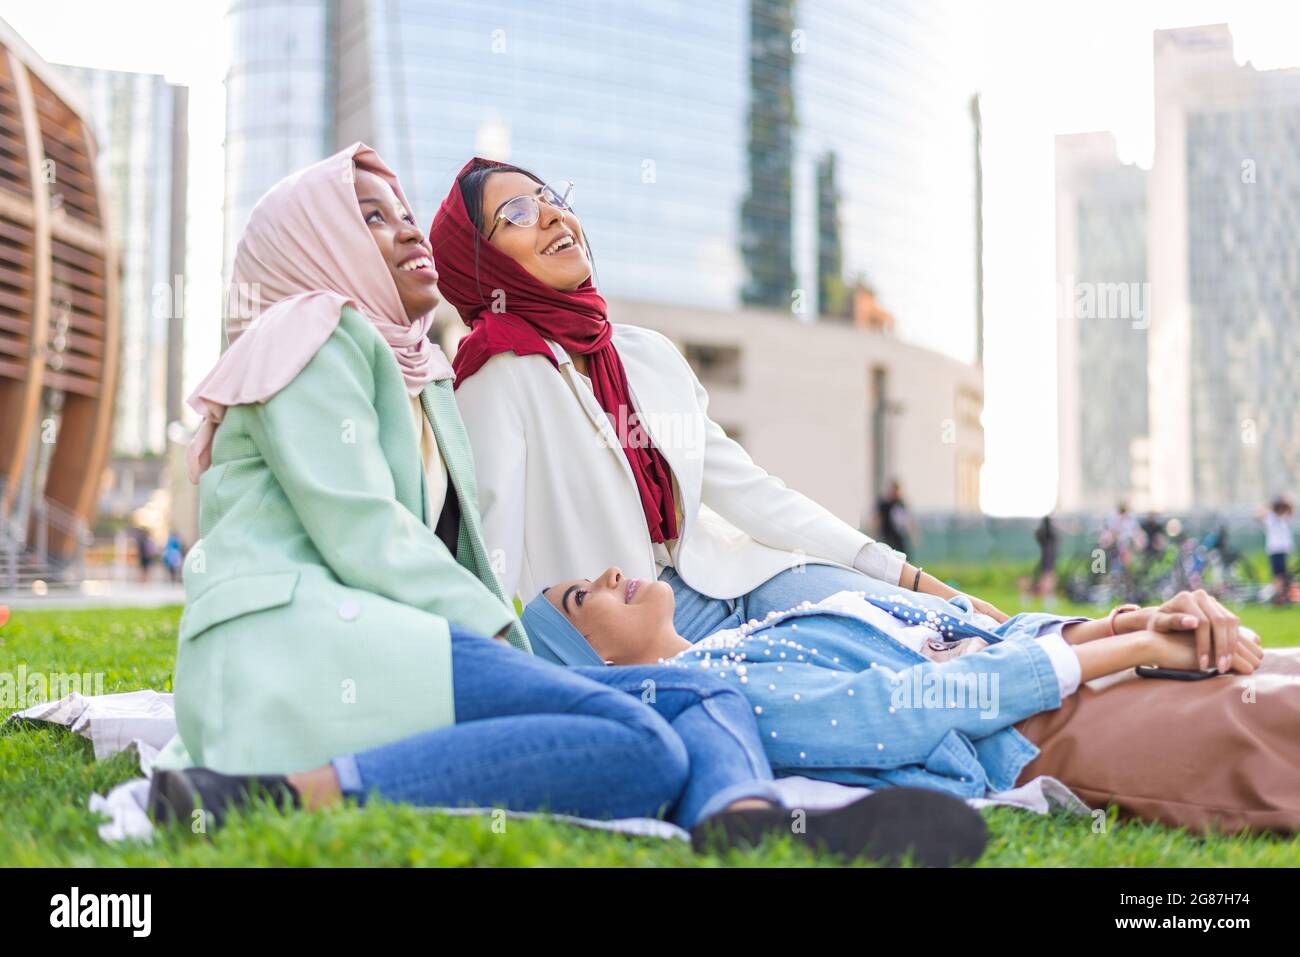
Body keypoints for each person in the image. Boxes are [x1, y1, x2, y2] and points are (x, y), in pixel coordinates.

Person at [145, 143, 980, 863]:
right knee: (646, 733)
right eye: (369, 217)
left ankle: (743, 817)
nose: (402, 227)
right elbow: (365, 532)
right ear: (314, 244)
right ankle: (274, 794)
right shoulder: (315, 330)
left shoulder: (422, 375)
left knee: (694, 689)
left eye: (403, 210)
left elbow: (459, 541)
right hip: (304, 645)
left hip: (391, 638)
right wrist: (514, 643)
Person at [428, 158, 1009, 652]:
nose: (552, 214)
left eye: (550, 197)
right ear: (481, 263)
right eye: (519, 215)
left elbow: (753, 494)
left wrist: (912, 578)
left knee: (948, 627)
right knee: (890, 665)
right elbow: (489, 561)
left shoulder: (644, 354)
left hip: (740, 577)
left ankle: (1074, 645)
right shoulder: (495, 377)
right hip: (634, 632)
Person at [520, 565, 1300, 834]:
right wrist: (1133, 649)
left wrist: (1131, 621)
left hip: (1073, 667)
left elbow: (963, 632)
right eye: (584, 595)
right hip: (1041, 729)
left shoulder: (759, 626)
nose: (614, 573)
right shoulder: (721, 690)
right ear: (594, 658)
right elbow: (908, 707)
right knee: (1275, 720)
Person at [1264, 497, 1295, 606]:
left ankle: (1283, 596)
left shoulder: (1284, 518)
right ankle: (1278, 596)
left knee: (1283, 574)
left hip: (1283, 550)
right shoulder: (1271, 517)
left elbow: (1291, 511)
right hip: (1275, 550)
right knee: (1278, 575)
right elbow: (1259, 514)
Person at [875, 479, 913, 555]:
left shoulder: (901, 503)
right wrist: (876, 532)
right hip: (888, 535)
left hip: (899, 535)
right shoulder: (884, 504)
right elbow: (878, 519)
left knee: (904, 554)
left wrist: (911, 532)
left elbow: (906, 519)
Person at [1031, 514, 1057, 605]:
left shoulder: (1044, 533)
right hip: (1049, 557)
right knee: (1047, 576)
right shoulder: (1051, 533)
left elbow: (1038, 536)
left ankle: (1047, 595)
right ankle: (1046, 595)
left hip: (1047, 557)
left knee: (1047, 576)